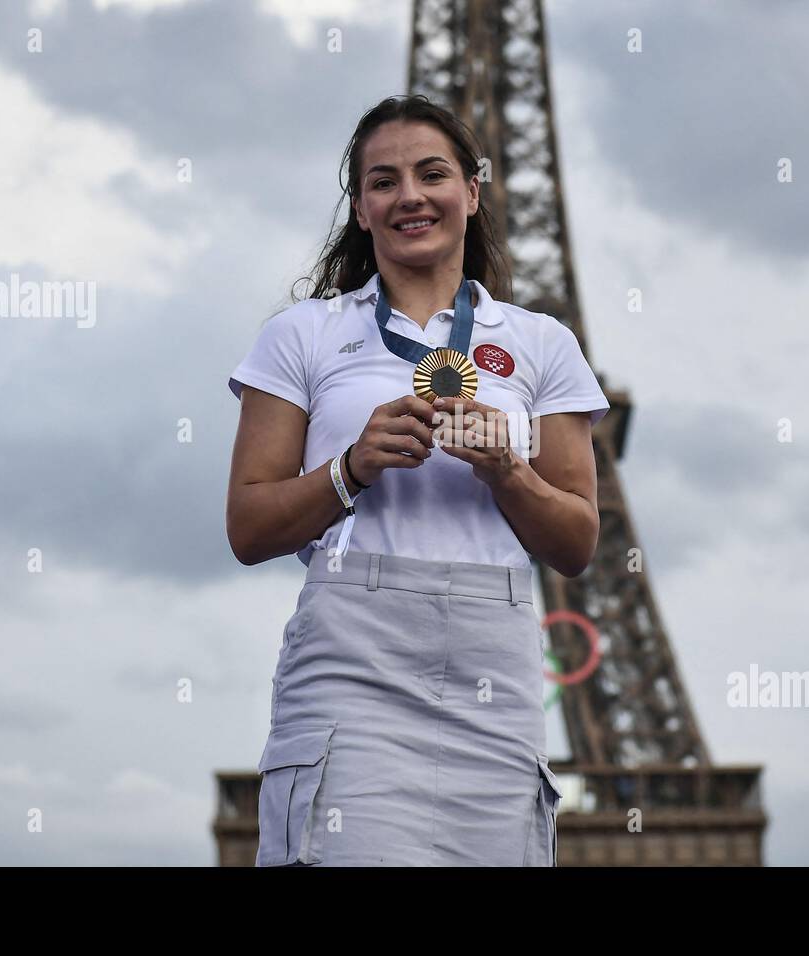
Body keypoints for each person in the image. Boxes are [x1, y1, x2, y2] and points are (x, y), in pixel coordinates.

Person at [225, 94, 609, 866]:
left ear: (472, 191)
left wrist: (509, 474)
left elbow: (576, 543)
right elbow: (248, 526)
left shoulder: (542, 344)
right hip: (353, 662)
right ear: (361, 210)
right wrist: (350, 468)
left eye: (432, 174)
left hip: (492, 673)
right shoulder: (303, 335)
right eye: (382, 182)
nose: (410, 196)